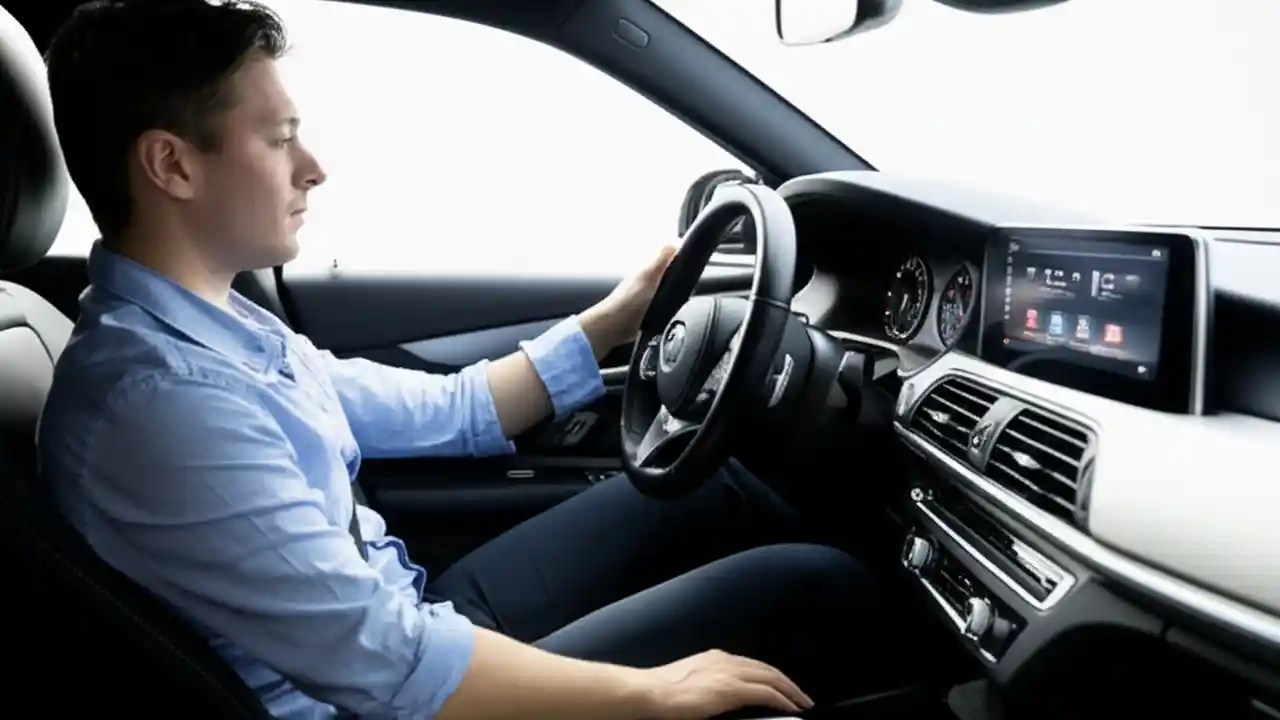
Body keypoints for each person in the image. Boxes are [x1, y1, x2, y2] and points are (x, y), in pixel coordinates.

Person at [36, 1, 909, 718]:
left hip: (411, 621)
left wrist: (616, 317)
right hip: (384, 701)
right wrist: (650, 694)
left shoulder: (213, 331)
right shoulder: (160, 404)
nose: (314, 168)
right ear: (171, 167)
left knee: (730, 490)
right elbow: (383, 661)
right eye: (279, 139)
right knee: (809, 588)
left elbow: (446, 411)